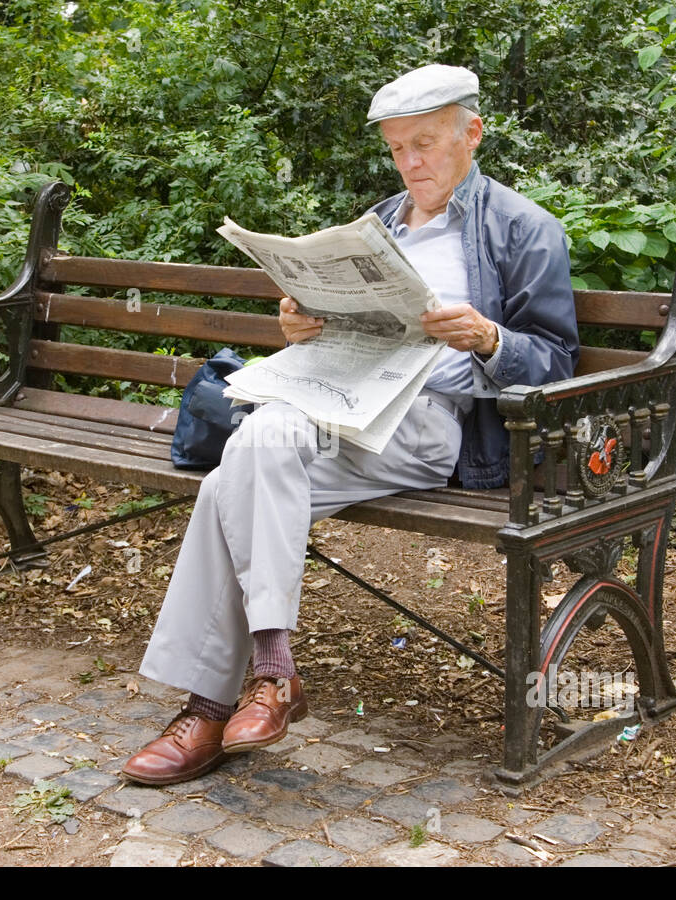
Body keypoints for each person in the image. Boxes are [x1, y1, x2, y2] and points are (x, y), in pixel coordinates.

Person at [121, 64, 579, 785]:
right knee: (248, 459)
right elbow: (344, 324)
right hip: (336, 408)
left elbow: (557, 365)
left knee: (236, 472)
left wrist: (489, 339)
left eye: (424, 144)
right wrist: (303, 323)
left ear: (473, 133)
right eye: (397, 149)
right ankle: (266, 681)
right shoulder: (382, 221)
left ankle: (209, 706)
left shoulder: (523, 230)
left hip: (428, 428)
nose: (410, 163)